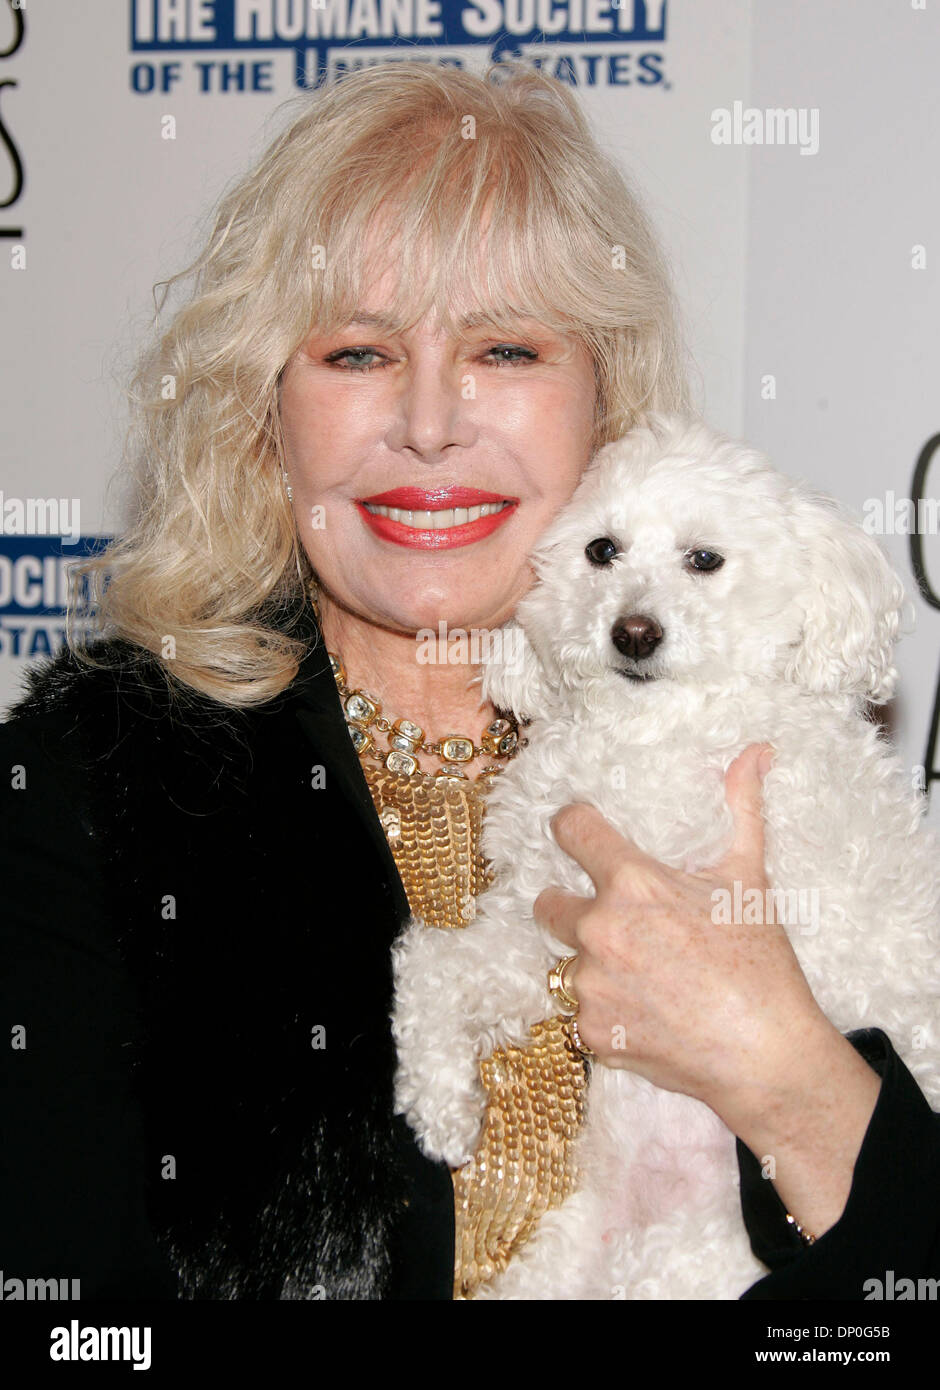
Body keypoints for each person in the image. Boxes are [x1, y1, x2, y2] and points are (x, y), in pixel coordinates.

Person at [1, 59, 937, 1303]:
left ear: (602, 402)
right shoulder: (96, 776)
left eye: (503, 345)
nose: (432, 423)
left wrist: (789, 1076)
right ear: (259, 412)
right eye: (355, 352)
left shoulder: (767, 770)